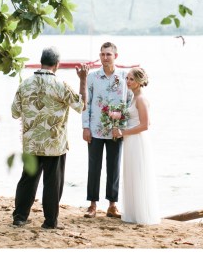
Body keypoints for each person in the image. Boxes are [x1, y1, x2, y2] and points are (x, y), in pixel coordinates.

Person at [11, 46, 83, 229]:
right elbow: (80, 105)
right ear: (57, 64)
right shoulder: (61, 85)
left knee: (27, 180)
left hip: (31, 142)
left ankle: (20, 217)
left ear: (41, 61)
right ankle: (50, 221)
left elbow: (15, 112)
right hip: (54, 143)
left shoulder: (25, 84)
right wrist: (83, 80)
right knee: (52, 183)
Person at [77, 41, 132, 219]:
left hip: (116, 131)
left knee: (114, 168)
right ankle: (92, 205)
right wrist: (85, 127)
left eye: (109, 54)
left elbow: (129, 103)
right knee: (94, 167)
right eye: (102, 54)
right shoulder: (92, 77)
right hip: (95, 129)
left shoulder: (124, 77)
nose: (105, 57)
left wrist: (122, 127)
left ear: (116, 56)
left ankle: (112, 205)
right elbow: (85, 103)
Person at [112, 67, 160, 224]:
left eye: (131, 79)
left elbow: (145, 125)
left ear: (139, 81)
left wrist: (123, 132)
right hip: (130, 140)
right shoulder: (133, 97)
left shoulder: (141, 99)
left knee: (138, 174)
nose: (128, 81)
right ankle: (132, 213)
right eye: (127, 78)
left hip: (137, 140)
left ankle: (141, 214)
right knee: (131, 174)